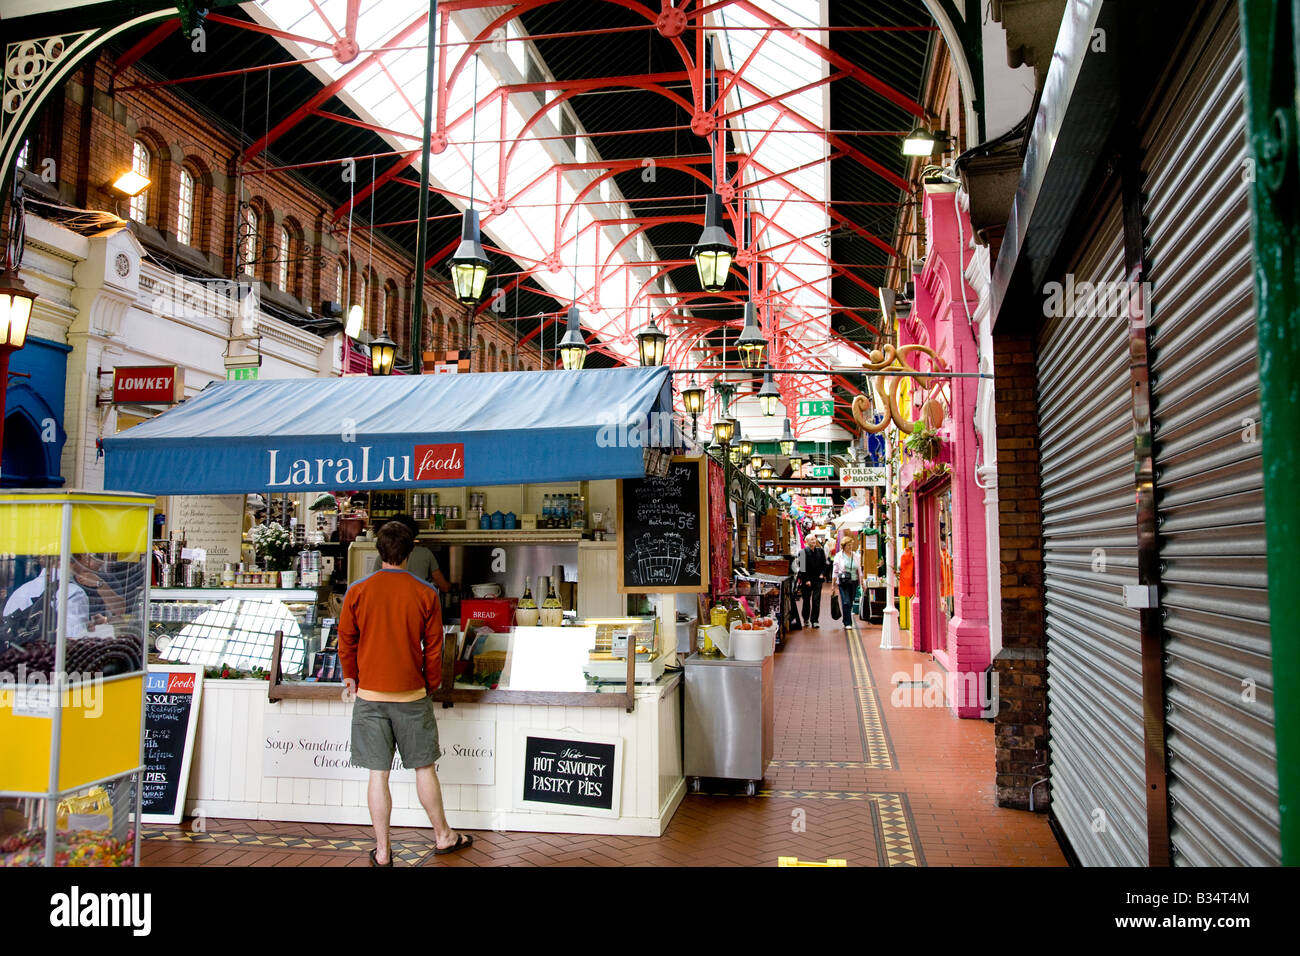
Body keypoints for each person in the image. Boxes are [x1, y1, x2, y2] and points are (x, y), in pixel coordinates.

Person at [338, 521, 472, 865]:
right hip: (412, 695)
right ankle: (443, 836)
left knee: (377, 775)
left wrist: (351, 677)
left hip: (369, 696)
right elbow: (434, 647)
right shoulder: (426, 592)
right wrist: (430, 683)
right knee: (424, 769)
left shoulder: (357, 590)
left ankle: (383, 852)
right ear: (411, 552)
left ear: (379, 551)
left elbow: (346, 641)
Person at [392, 514, 453, 592]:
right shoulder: (425, 553)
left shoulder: (384, 556)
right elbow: (444, 586)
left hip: (393, 602)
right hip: (419, 602)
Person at [832, 535, 862, 630]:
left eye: (851, 545)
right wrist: (833, 585)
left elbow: (859, 570)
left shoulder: (856, 556)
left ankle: (846, 619)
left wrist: (862, 583)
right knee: (846, 602)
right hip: (843, 582)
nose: (850, 547)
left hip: (854, 582)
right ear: (843, 546)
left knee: (851, 602)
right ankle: (847, 622)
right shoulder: (839, 556)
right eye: (848, 545)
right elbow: (835, 570)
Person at [799, 535, 828, 628]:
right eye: (811, 539)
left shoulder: (820, 551)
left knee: (816, 600)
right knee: (806, 600)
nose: (813, 541)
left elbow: (825, 564)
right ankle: (806, 618)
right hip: (807, 580)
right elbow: (802, 568)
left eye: (814, 539)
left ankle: (815, 620)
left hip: (817, 579)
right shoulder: (803, 552)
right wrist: (806, 579)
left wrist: (823, 574)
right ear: (807, 541)